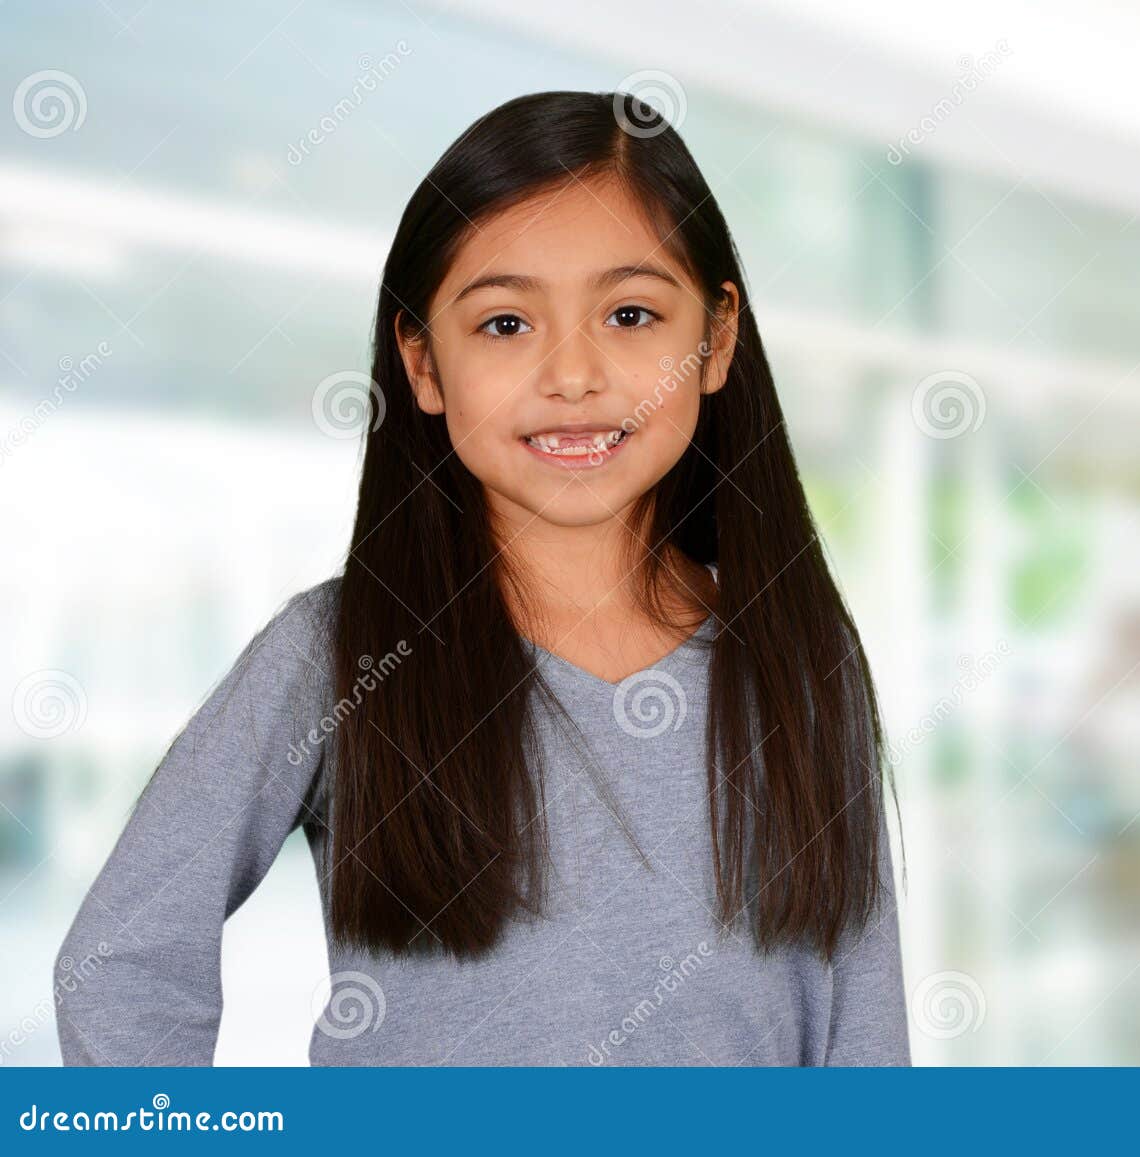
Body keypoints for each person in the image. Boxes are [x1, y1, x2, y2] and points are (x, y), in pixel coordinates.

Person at [53, 90, 910, 1067]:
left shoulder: (801, 652)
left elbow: (863, 1026)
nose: (574, 374)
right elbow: (123, 960)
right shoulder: (338, 653)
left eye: (630, 313)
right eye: (505, 324)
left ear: (713, 340)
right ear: (422, 363)